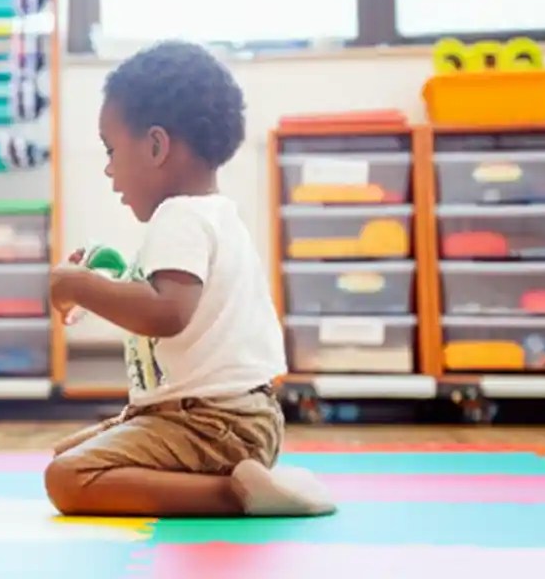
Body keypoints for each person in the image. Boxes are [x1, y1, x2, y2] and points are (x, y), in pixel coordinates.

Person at [43, 41, 335, 518]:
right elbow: (163, 295)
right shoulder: (210, 215)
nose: (109, 168)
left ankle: (235, 494)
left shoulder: (179, 217)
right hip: (225, 419)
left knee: (68, 479)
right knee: (66, 454)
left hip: (212, 424)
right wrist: (108, 275)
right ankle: (248, 478)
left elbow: (166, 313)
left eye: (112, 150)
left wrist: (75, 284)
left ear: (156, 146)